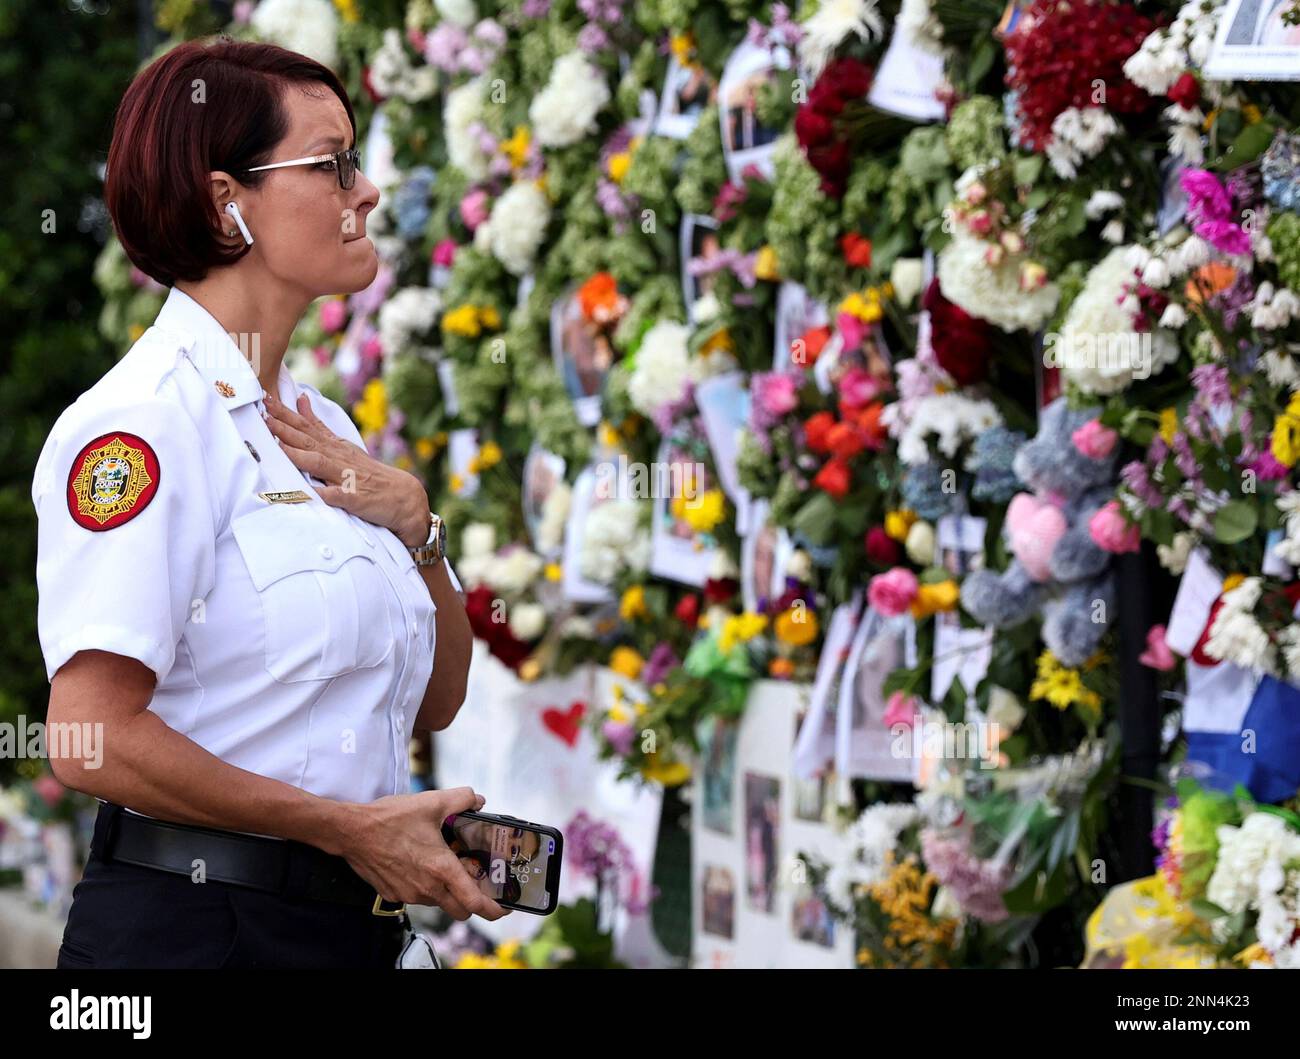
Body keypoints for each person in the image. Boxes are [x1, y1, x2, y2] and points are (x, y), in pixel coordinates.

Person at [34, 36, 507, 969]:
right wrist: (343, 826)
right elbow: (90, 738)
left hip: (338, 934)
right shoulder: (141, 423)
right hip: (197, 936)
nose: (366, 189)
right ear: (226, 202)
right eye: (334, 164)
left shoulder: (318, 420)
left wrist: (419, 525)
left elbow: (437, 700)